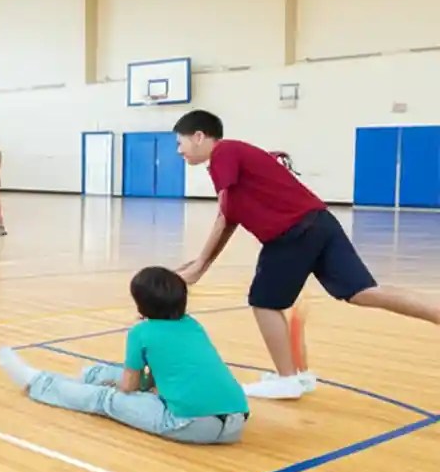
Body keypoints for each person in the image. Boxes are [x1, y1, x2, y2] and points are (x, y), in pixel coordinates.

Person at [172, 109, 440, 399]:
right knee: (362, 292)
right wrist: (201, 264)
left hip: (293, 233)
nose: (179, 151)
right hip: (320, 223)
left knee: (264, 302)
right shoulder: (234, 160)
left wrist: (200, 265)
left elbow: (224, 215)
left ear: (198, 136)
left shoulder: (223, 153)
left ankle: (288, 380)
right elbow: (230, 218)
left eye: (180, 143)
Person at [0, 266, 249, 444]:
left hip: (189, 423)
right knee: (116, 374)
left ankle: (37, 382)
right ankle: (86, 377)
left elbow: (129, 386)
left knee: (105, 399)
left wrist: (127, 388)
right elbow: (164, 372)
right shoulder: (192, 324)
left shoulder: (141, 331)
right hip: (235, 422)